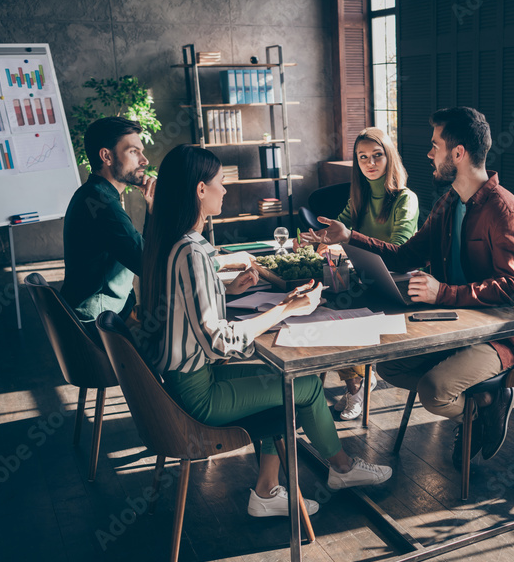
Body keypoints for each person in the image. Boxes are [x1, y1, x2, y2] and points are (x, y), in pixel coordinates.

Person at [140, 144, 392, 518]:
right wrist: (284, 308)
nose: (224, 190)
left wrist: (224, 288)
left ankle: (269, 489)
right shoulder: (192, 250)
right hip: (197, 396)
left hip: (181, 381)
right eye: (220, 183)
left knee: (282, 375)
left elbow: (181, 299)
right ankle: (340, 469)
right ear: (199, 190)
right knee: (304, 384)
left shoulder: (174, 243)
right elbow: (219, 341)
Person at [304, 107, 514, 470]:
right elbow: (403, 255)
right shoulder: (448, 203)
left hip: (499, 335)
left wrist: (442, 292)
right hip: (453, 323)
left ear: (457, 153)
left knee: (434, 391)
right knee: (389, 367)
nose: (429, 153)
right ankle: (480, 406)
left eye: (435, 146)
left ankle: (487, 404)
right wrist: (350, 237)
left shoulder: (505, 211)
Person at [328, 127, 419, 420]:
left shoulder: (406, 198)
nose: (370, 163)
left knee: (342, 311)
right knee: (328, 304)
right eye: (363, 157)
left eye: (377, 155)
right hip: (367, 281)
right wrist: (318, 239)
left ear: (389, 157)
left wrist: (347, 238)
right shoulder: (360, 196)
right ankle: (356, 383)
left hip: (400, 286)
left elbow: (398, 249)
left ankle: (357, 387)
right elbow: (338, 231)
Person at [61, 116, 155, 326]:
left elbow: (143, 253)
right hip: (101, 327)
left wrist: (151, 209)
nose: (144, 160)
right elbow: (151, 266)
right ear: (107, 156)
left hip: (109, 316)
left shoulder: (92, 194)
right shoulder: (103, 206)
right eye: (133, 151)